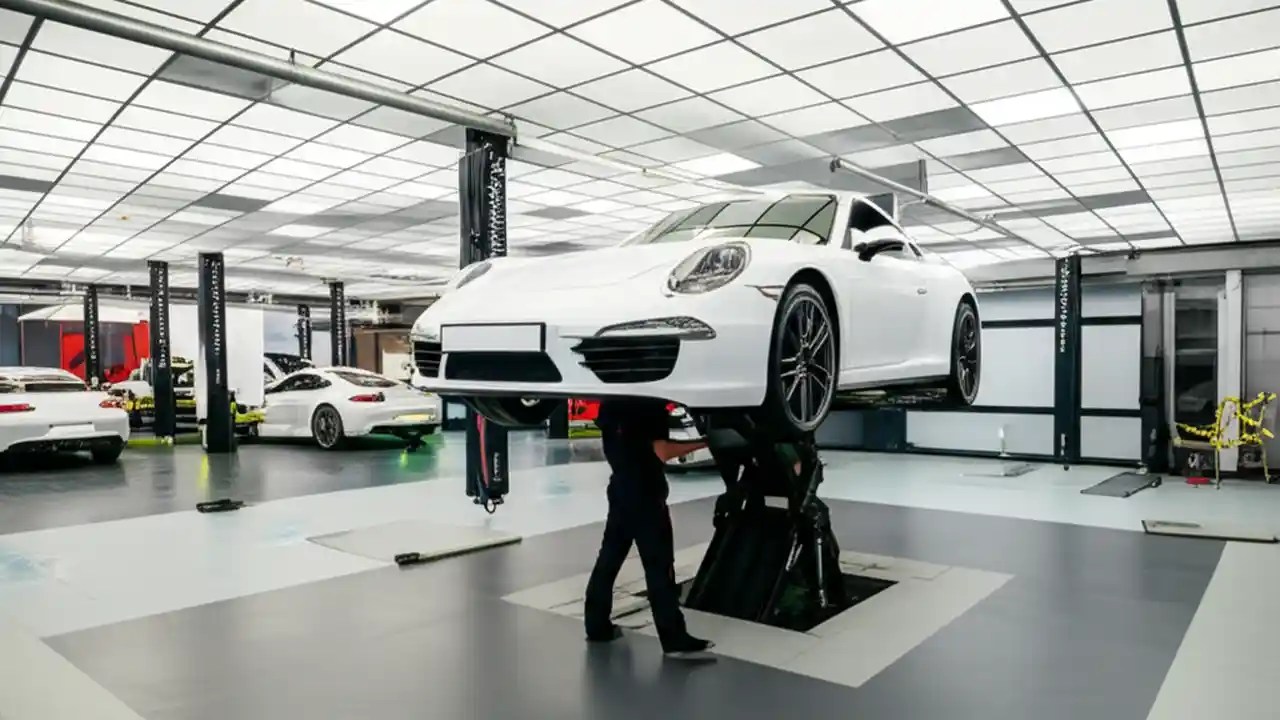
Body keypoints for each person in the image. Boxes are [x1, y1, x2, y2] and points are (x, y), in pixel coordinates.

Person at [583, 397, 715, 657]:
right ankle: (673, 637)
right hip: (646, 492)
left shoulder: (610, 403)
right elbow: (662, 451)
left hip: (620, 487)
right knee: (659, 566)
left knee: (609, 559)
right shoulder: (650, 405)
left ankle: (596, 625)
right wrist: (708, 441)